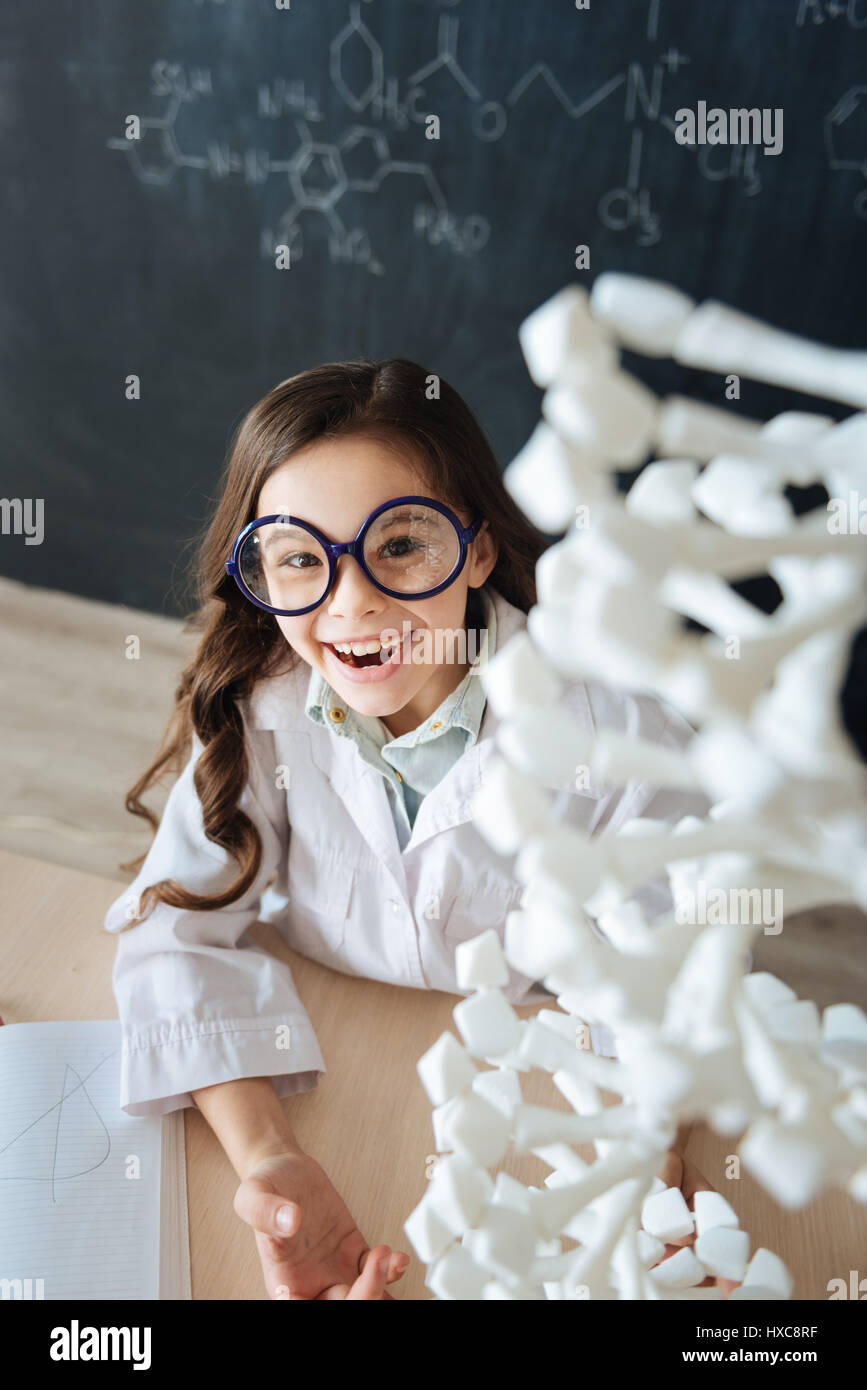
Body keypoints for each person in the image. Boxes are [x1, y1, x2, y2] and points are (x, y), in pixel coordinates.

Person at [104, 357, 728, 1299]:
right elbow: (173, 932)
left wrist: (641, 1167)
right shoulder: (263, 707)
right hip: (346, 1029)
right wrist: (268, 1159)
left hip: (528, 1067)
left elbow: (668, 977)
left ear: (476, 550)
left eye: (399, 545)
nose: (350, 602)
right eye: (301, 559)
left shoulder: (619, 733)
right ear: (260, 572)